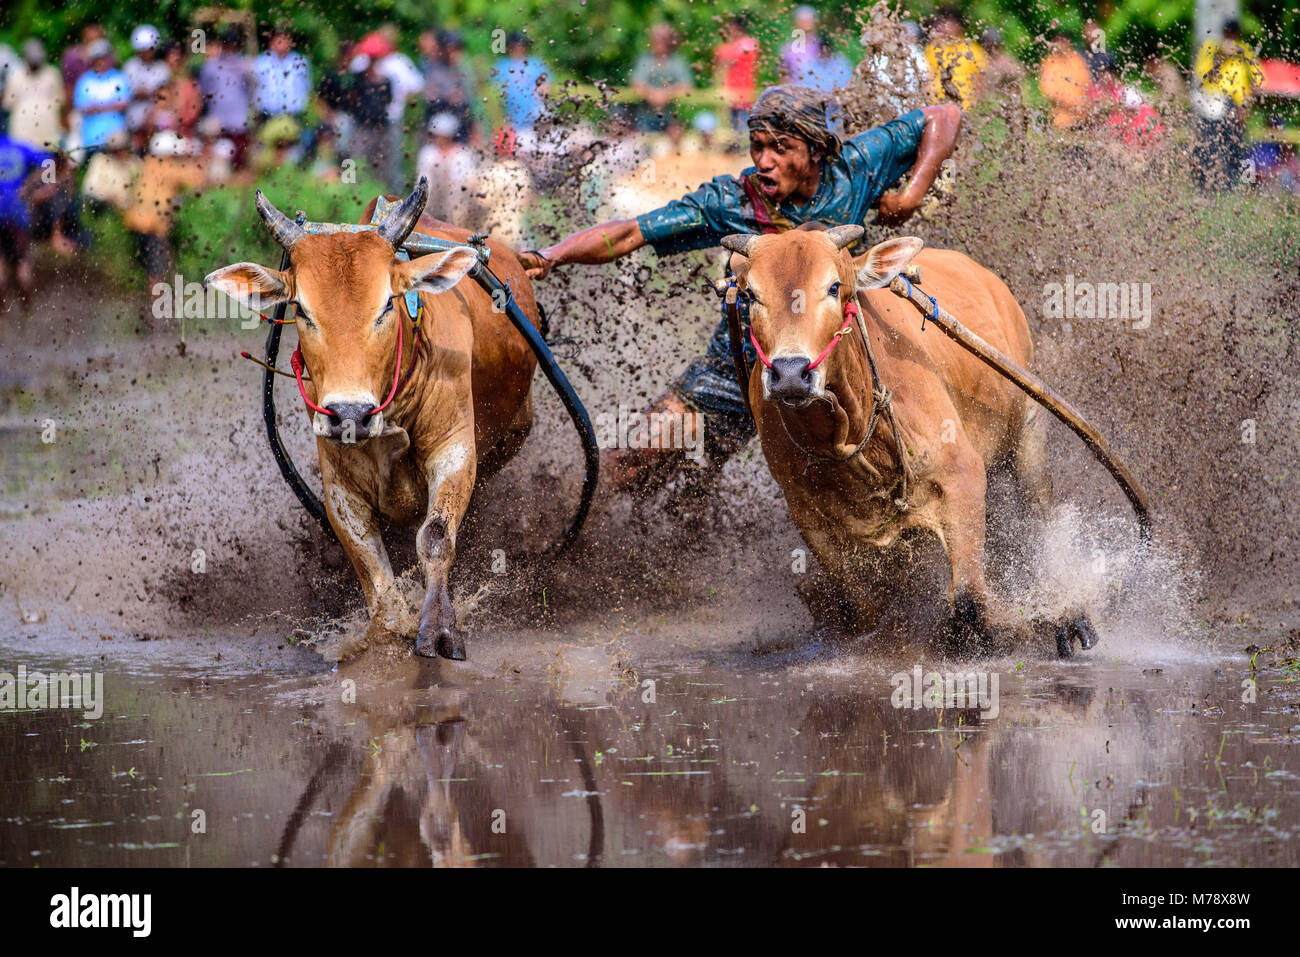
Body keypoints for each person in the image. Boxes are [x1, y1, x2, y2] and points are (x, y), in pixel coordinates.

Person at [518, 86, 963, 493]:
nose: (764, 160)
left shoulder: (856, 166)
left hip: (838, 362)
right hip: (739, 365)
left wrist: (911, 195)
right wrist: (552, 256)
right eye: (757, 147)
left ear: (815, 151)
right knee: (632, 463)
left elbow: (943, 116)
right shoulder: (730, 201)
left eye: (780, 148)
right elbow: (632, 232)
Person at [124, 130, 208, 330]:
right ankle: (158, 318)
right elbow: (199, 179)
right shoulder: (169, 167)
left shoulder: (148, 164)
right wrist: (200, 158)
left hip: (135, 222)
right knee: (157, 270)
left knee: (150, 269)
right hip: (154, 224)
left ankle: (152, 312)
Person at [1193, 19, 1263, 191]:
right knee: (1209, 146)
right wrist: (1221, 57)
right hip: (1213, 104)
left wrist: (1247, 106)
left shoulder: (1244, 51)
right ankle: (1206, 186)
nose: (1231, 37)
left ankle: (1232, 188)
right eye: (1228, 33)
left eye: (1234, 34)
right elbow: (1203, 75)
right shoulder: (1211, 47)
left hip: (1237, 107)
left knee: (1235, 149)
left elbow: (1258, 80)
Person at [0, 123, 51, 308]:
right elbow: (48, 162)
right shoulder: (19, 147)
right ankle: (27, 309)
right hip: (17, 209)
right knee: (23, 261)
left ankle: (2, 315)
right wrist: (42, 185)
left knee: (1, 262)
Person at [198, 30, 254, 167]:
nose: (231, 50)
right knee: (218, 153)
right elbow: (203, 91)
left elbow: (252, 90)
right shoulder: (211, 67)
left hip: (240, 119)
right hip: (218, 118)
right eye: (228, 46)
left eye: (234, 46)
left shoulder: (246, 66)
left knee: (242, 155)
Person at [415, 112, 477, 225]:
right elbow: (422, 179)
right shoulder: (428, 153)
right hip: (432, 201)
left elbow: (464, 183)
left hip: (454, 202)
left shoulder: (461, 154)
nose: (440, 139)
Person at [630, 24, 694, 133]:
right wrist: (652, 94)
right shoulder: (645, 59)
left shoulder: (678, 61)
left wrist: (666, 94)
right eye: (656, 39)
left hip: (671, 119)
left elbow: (687, 85)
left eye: (662, 39)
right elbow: (636, 83)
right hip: (645, 117)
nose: (658, 43)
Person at [3, 40, 65, 151]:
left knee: (47, 162)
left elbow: (59, 101)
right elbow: (8, 103)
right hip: (21, 131)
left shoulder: (52, 74)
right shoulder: (15, 76)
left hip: (46, 130)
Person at [73, 40, 129, 154]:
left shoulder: (118, 77)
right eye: (97, 58)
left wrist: (98, 107)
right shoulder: (85, 80)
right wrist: (110, 106)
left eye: (103, 58)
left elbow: (123, 104)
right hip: (92, 136)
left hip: (115, 133)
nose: (101, 62)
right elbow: (83, 107)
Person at [924, 9, 987, 110]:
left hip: (964, 107)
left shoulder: (973, 50)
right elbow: (926, 75)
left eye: (949, 24)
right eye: (944, 24)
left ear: (959, 26)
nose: (945, 28)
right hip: (936, 104)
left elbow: (980, 82)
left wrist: (979, 108)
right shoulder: (933, 47)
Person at [492, 32, 550, 142]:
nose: (518, 48)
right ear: (509, 47)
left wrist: (542, 93)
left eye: (520, 45)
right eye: (514, 46)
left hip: (535, 117)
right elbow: (493, 94)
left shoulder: (535, 64)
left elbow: (546, 86)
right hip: (513, 122)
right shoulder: (501, 65)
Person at [344, 54, 392, 180]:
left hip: (380, 126)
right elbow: (351, 98)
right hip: (361, 126)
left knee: (381, 165)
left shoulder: (386, 80)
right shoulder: (359, 80)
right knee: (356, 159)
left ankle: (379, 192)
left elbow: (388, 100)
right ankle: (350, 188)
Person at [253, 25, 311, 125]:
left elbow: (306, 86)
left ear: (290, 42)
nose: (282, 44)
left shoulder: (300, 61)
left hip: (293, 115)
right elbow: (254, 86)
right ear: (271, 42)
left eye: (284, 40)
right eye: (278, 41)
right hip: (267, 114)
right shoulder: (261, 62)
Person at [123, 25, 170, 144]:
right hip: (133, 119)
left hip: (155, 119)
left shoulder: (162, 68)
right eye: (143, 49)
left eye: (149, 49)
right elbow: (125, 93)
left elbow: (163, 96)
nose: (147, 53)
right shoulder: (130, 67)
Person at [714, 14, 759, 132]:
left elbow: (723, 60)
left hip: (742, 95)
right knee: (736, 131)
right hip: (735, 95)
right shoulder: (750, 44)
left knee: (740, 131)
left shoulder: (742, 45)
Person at [1038, 31, 1091, 129]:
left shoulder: (1077, 60)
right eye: (1058, 41)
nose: (1061, 44)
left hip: (1082, 120)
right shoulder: (1049, 62)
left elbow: (1087, 85)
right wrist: (1071, 105)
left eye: (1064, 41)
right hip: (1061, 121)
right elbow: (1049, 92)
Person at [781, 5, 822, 86]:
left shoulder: (823, 45)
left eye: (808, 21)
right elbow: (783, 75)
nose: (805, 24)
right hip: (797, 93)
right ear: (796, 23)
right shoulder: (789, 49)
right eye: (802, 21)